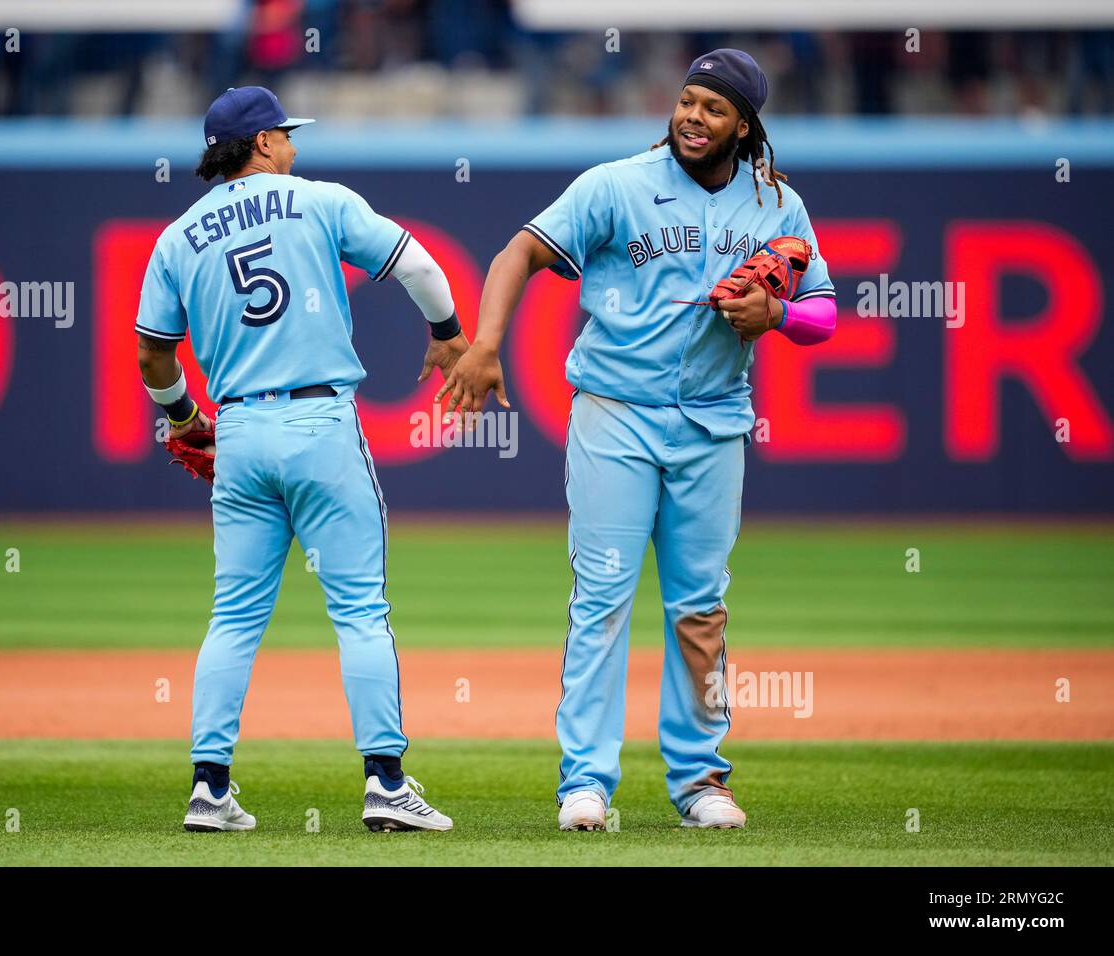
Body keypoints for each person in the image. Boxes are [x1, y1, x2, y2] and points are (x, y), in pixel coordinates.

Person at [437, 50, 836, 831]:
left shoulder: (779, 204)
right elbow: (519, 250)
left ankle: (699, 781)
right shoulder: (617, 184)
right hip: (615, 414)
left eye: (713, 109)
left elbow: (822, 310)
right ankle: (585, 782)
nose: (693, 117)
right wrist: (486, 343)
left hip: (714, 423)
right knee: (604, 599)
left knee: (701, 608)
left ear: (745, 126)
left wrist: (779, 317)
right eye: (687, 101)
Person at [136, 86, 465, 833]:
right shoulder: (316, 200)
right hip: (320, 420)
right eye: (284, 134)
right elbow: (417, 266)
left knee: (234, 618)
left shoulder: (176, 237)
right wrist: (447, 332)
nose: (292, 145)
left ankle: (209, 789)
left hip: (241, 430)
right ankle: (385, 783)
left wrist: (185, 419)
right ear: (260, 145)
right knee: (360, 611)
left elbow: (152, 351)